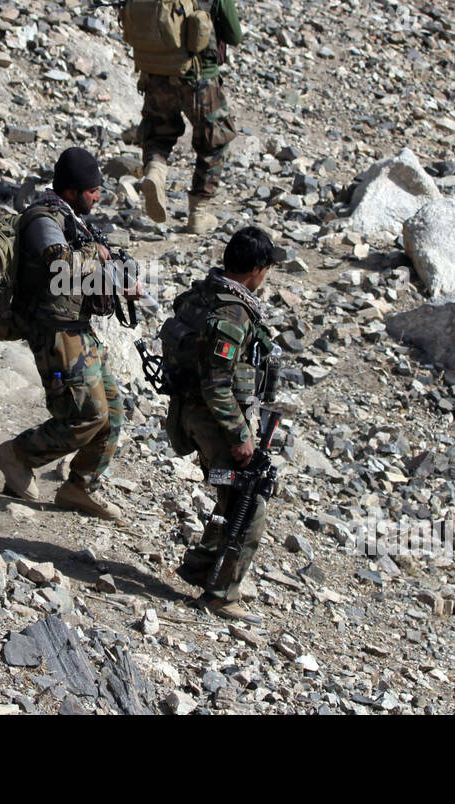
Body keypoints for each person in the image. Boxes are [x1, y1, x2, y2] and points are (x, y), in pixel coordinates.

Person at [0, 147, 126, 520]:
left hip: (80, 331)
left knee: (112, 412)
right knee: (85, 416)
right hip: (56, 335)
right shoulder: (42, 219)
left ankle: (79, 487)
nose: (97, 197)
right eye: (92, 190)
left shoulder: (72, 218)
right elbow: (59, 263)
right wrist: (97, 257)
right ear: (71, 191)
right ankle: (16, 456)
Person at [168, 226, 276, 623]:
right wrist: (240, 435)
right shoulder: (232, 312)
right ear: (257, 270)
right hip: (214, 419)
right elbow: (217, 384)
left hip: (193, 412)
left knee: (231, 497)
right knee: (251, 505)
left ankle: (199, 568)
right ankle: (220, 593)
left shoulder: (203, 293)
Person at [136, 0, 244, 234]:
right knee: (214, 140)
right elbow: (234, 35)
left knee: (158, 133)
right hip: (200, 81)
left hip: (156, 75)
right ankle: (199, 211)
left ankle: (155, 171)